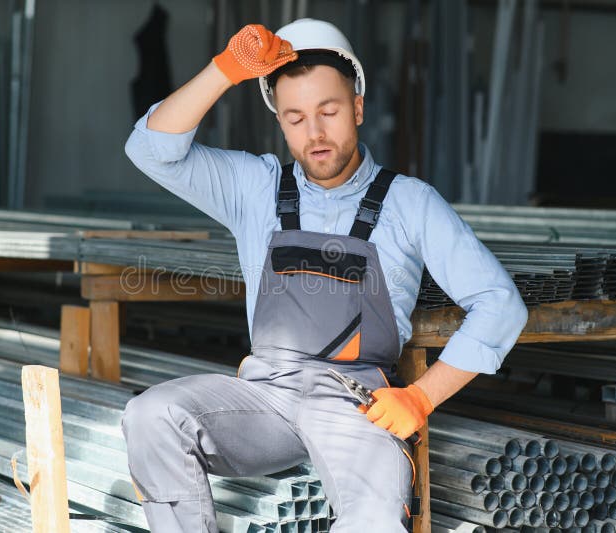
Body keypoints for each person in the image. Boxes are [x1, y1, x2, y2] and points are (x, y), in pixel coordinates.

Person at [121, 18, 528, 533]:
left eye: (328, 112)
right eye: (295, 118)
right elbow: (148, 149)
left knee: (374, 522)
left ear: (357, 107)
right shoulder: (255, 186)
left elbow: (500, 302)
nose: (314, 133)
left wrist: (421, 397)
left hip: (353, 404)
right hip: (265, 399)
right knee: (150, 416)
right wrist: (226, 70)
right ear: (281, 123)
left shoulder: (409, 201)